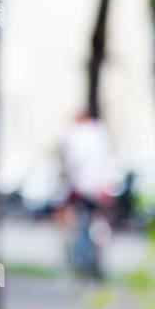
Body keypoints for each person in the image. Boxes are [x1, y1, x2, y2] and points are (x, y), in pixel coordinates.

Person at [59, 110, 118, 278]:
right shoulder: (100, 132)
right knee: (97, 224)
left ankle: (84, 263)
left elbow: (72, 162)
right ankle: (93, 262)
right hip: (101, 188)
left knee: (82, 225)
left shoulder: (75, 134)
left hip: (83, 188)